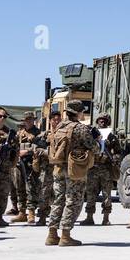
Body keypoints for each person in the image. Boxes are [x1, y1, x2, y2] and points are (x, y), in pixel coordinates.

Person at [45, 100, 98, 247]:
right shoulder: (80, 128)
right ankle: (66, 235)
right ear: (78, 112)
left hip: (58, 169)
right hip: (73, 170)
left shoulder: (59, 126)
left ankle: (52, 234)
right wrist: (98, 141)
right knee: (73, 200)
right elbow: (94, 148)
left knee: (58, 200)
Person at [82, 114, 122, 226]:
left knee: (107, 194)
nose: (102, 122)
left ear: (108, 122)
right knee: (90, 193)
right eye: (100, 120)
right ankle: (89, 217)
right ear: (97, 121)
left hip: (106, 169)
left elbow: (118, 152)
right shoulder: (92, 135)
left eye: (104, 121)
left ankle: (106, 218)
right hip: (92, 167)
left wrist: (113, 159)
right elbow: (85, 147)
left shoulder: (111, 137)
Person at [13, 111, 42, 223]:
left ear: (33, 120)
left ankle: (31, 212)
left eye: (30, 119)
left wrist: (27, 151)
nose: (28, 121)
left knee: (31, 188)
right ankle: (22, 212)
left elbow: (40, 146)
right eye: (26, 119)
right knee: (19, 188)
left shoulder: (38, 133)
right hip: (19, 164)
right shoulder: (19, 133)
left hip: (31, 164)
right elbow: (13, 145)